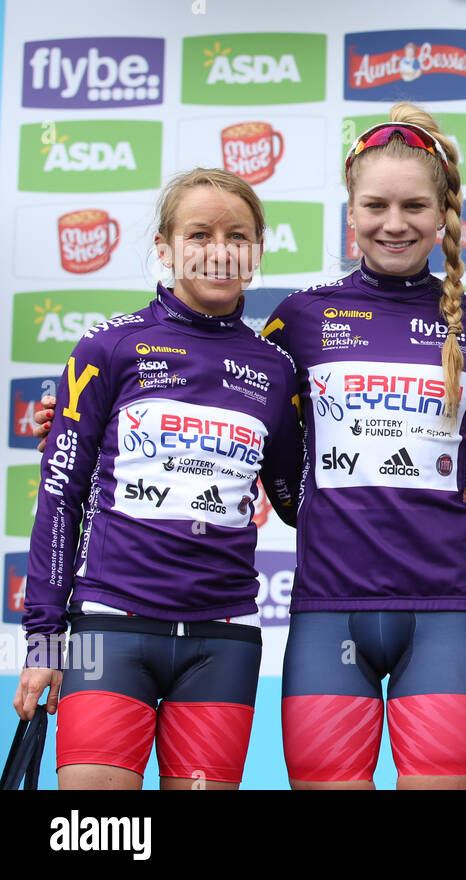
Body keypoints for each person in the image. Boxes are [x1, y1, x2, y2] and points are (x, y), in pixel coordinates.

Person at [12, 168, 302, 790]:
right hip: (109, 628)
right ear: (165, 249)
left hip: (222, 639)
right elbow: (60, 497)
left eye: (238, 235)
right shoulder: (109, 348)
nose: (219, 250)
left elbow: (294, 498)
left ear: (257, 253)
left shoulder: (276, 370)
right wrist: (42, 638)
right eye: (199, 234)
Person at [263, 104, 466, 790]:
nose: (394, 223)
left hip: (441, 608)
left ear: (444, 216)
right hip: (326, 607)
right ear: (351, 212)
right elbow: (255, 420)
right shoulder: (299, 318)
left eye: (414, 205)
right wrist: (295, 504)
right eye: (375, 204)